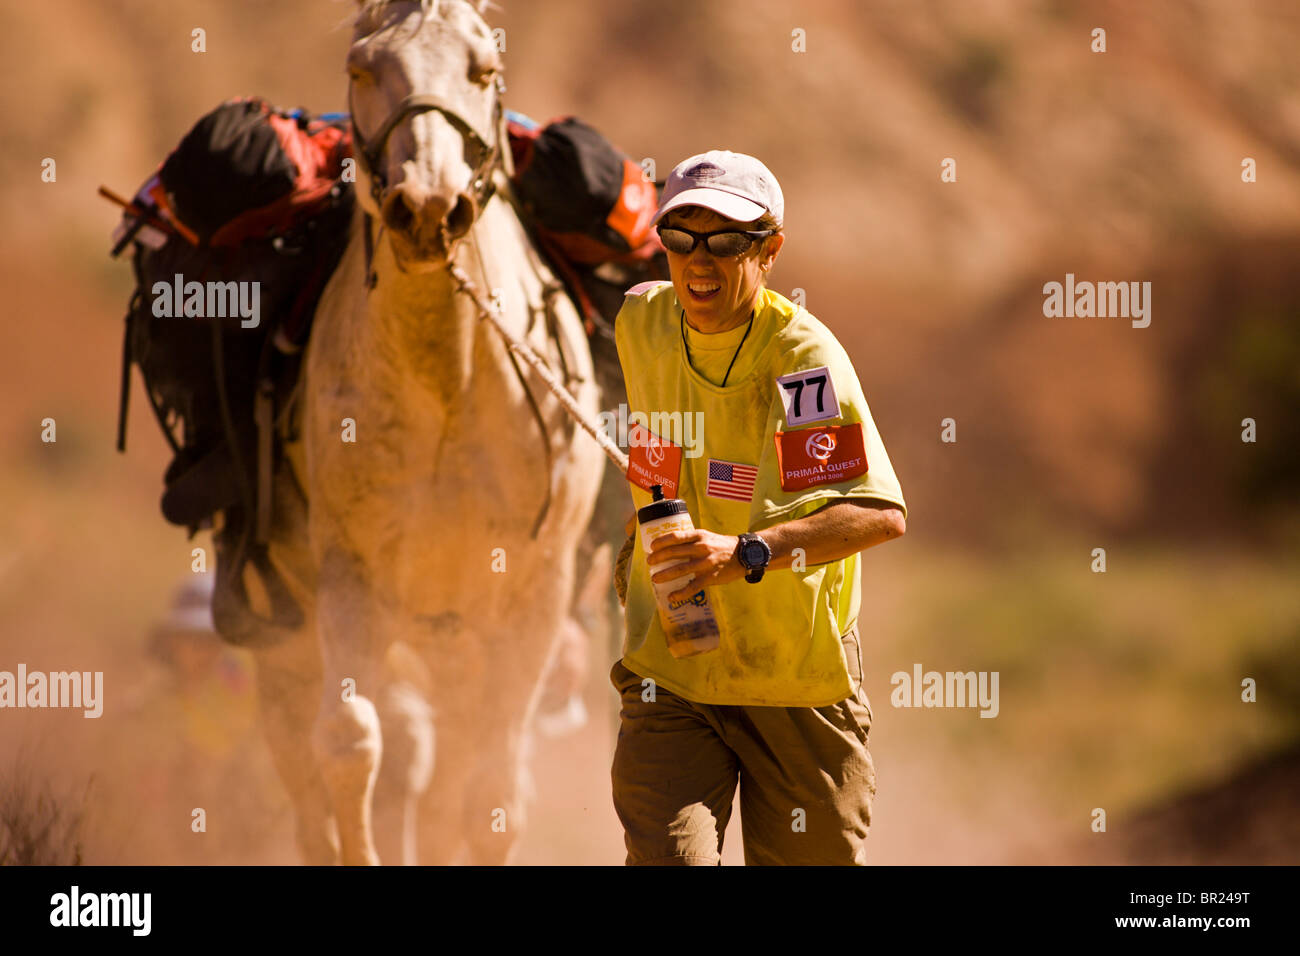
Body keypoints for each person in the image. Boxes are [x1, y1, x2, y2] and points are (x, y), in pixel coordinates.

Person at [609, 149, 908, 865]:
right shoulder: (642, 323)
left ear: (769, 250)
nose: (699, 261)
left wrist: (744, 553)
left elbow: (875, 514)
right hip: (672, 670)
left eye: (727, 241)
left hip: (794, 683)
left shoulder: (799, 364)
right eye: (681, 238)